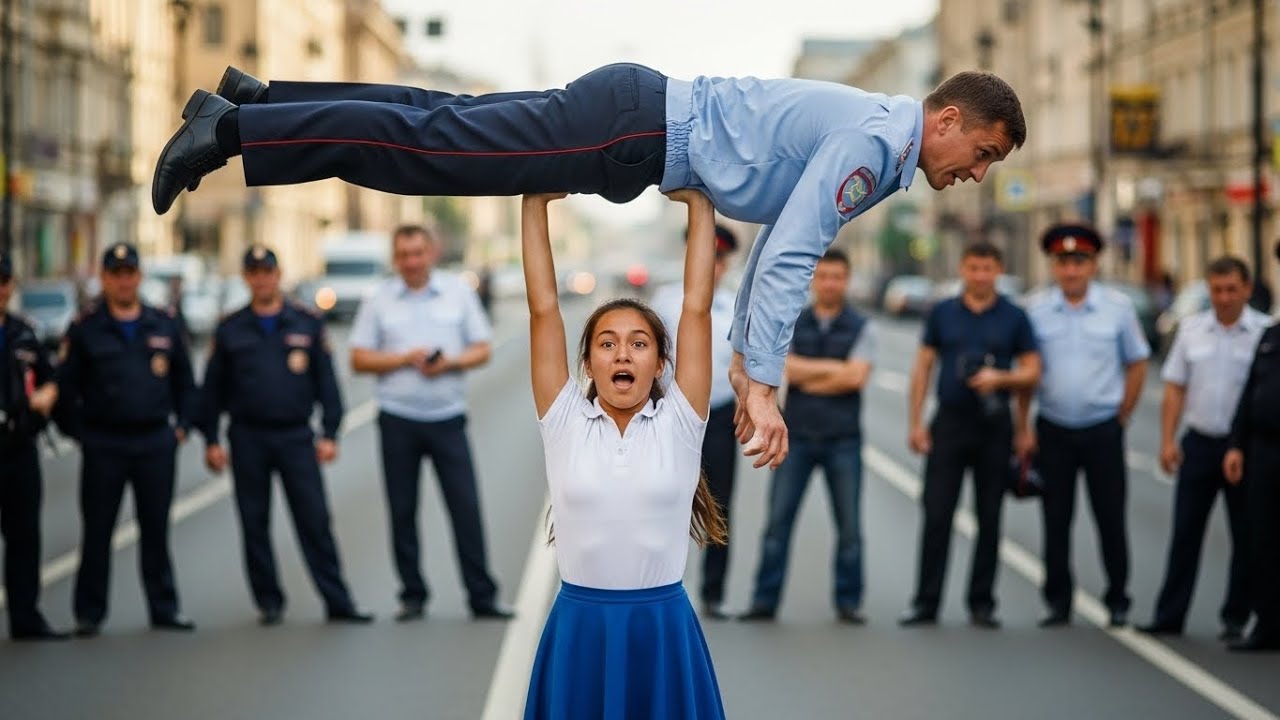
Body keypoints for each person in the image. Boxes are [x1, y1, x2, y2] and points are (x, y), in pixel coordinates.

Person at [154, 63, 1027, 469]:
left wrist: (743, 362)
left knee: (443, 119)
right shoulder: (877, 144)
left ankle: (261, 99)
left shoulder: (879, 135)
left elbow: (776, 241)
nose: (976, 175)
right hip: (631, 132)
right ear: (948, 120)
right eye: (982, 153)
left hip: (634, 118)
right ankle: (233, 133)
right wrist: (762, 384)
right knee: (434, 150)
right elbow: (795, 251)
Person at [520, 189, 727, 719]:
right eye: (607, 343)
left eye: (639, 343)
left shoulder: (681, 423)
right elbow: (543, 308)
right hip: (581, 628)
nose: (622, 354)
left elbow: (697, 308)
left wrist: (700, 207)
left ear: (660, 364)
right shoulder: (565, 422)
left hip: (661, 628)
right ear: (588, 362)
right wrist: (534, 203)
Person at [200, 245, 373, 626]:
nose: (262, 279)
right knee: (254, 523)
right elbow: (212, 391)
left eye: (268, 271)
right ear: (246, 278)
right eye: (254, 272)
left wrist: (330, 433)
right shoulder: (231, 328)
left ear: (278, 275)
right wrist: (211, 439)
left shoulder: (305, 322)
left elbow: (327, 384)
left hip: (295, 436)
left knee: (315, 521)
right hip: (248, 437)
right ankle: (269, 601)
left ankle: (338, 601)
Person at [349, 225, 511, 622]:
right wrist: (403, 358)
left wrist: (449, 363)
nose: (411, 262)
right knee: (402, 511)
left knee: (465, 508)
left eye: (418, 253)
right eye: (404, 254)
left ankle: (482, 596)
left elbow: (482, 349)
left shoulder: (457, 292)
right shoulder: (379, 299)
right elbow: (358, 358)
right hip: (397, 420)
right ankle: (413, 595)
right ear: (395, 258)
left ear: (432, 253)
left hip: (447, 419)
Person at [54, 243, 198, 636]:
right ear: (104, 278)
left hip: (154, 442)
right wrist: (81, 434)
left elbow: (185, 383)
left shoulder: (163, 323)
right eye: (115, 274)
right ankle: (89, 612)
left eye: (129, 273)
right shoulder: (86, 328)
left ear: (139, 276)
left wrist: (182, 427)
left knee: (156, 529)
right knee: (97, 532)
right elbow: (65, 390)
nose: (123, 281)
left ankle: (164, 608)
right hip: (105, 444)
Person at [899, 242, 1040, 629]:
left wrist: (1002, 382)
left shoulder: (1014, 316)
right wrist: (916, 422)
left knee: (990, 517)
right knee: (936, 513)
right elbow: (923, 367)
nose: (980, 275)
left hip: (995, 427)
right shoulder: (943, 312)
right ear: (963, 269)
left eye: (987, 268)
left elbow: (1032, 371)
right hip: (949, 423)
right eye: (974, 268)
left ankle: (982, 603)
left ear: (998, 271)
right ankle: (926, 602)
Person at [1016, 224, 1150, 628]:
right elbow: (1026, 372)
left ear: (1093, 265)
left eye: (1079, 262)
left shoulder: (1117, 309)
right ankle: (1058, 601)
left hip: (1102, 430)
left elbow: (1137, 361)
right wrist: (1023, 427)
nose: (1071, 270)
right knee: (1056, 519)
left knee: (1110, 517)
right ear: (1053, 266)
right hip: (1054, 428)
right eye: (1063, 262)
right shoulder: (1036, 310)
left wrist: (1123, 413)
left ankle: (1118, 599)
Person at [738, 249, 874, 624]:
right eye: (824, 276)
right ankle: (764, 601)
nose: (830, 283)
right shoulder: (792, 321)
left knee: (850, 529)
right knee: (777, 525)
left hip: (844, 439)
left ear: (846, 281)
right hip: (794, 439)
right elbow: (786, 371)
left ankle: (849, 602)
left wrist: (810, 374)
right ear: (814, 280)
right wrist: (835, 371)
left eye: (837, 277)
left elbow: (856, 377)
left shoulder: (862, 326)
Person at [1138, 257, 1268, 641]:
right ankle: (1169, 615)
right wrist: (1167, 440)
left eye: (1231, 290)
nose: (1224, 298)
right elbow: (1175, 388)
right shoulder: (1192, 330)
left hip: (1242, 448)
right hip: (1199, 442)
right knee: (1185, 531)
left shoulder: (1263, 333)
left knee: (1246, 535)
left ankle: (1236, 616)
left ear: (1246, 289)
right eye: (1216, 290)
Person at [651, 222, 739, 620]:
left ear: (725, 263)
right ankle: (661, 586)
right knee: (665, 503)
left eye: (718, 258)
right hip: (671, 416)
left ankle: (713, 594)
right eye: (705, 255)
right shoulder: (666, 301)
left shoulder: (736, 305)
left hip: (719, 416)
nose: (711, 265)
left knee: (719, 505)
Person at [0, 252, 68, 641]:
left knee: (24, 537)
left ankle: (26, 617)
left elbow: (50, 377)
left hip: (19, 447)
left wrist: (49, 392)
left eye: (3, 281)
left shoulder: (24, 333)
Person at [1221, 239, 1280, 652]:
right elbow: (1250, 393)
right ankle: (1267, 624)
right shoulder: (1271, 334)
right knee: (1261, 539)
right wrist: (1236, 445)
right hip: (1263, 452)